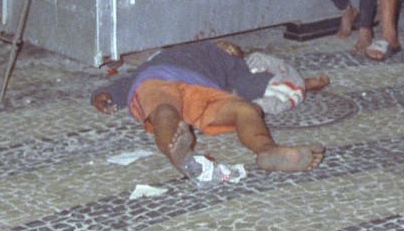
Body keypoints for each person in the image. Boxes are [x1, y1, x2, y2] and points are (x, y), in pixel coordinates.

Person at [92, 40, 328, 174]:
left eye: (236, 49)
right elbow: (131, 79)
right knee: (163, 111)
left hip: (204, 92)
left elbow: (251, 85)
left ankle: (267, 150)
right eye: (229, 46)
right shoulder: (168, 55)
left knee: (247, 109)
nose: (231, 47)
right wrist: (106, 93)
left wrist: (302, 85)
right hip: (158, 79)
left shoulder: (233, 63)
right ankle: (181, 159)